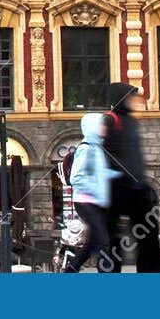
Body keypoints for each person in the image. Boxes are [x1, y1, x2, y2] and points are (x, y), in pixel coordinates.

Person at [102, 83, 160, 272]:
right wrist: (121, 172)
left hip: (136, 187)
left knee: (149, 233)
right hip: (116, 187)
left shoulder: (132, 122)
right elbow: (103, 152)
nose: (135, 101)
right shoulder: (109, 120)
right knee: (113, 238)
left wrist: (141, 181)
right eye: (131, 97)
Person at [64, 112, 112, 272]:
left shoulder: (96, 147)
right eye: (102, 125)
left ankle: (70, 270)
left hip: (95, 202)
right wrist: (97, 191)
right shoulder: (86, 149)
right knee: (104, 242)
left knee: (93, 242)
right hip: (85, 202)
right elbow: (75, 178)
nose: (105, 128)